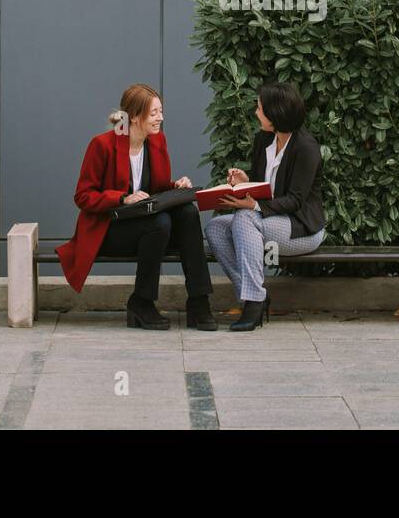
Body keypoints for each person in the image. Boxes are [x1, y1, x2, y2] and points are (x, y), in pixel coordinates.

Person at [57, 83, 216, 331]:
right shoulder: (102, 145)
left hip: (147, 225)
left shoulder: (157, 142)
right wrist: (122, 198)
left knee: (187, 212)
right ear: (134, 117)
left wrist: (177, 185)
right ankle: (141, 302)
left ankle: (199, 302)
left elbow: (158, 189)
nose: (160, 118)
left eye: (161, 112)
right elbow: (83, 196)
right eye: (153, 113)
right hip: (109, 230)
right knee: (159, 223)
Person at [204, 82, 326, 331]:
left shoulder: (306, 148)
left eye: (260, 108)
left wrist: (254, 205)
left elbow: (295, 200)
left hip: (300, 226)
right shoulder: (264, 140)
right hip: (269, 220)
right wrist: (246, 182)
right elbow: (266, 187)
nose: (256, 112)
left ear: (276, 113)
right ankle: (257, 294)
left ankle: (253, 302)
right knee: (216, 227)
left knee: (244, 217)